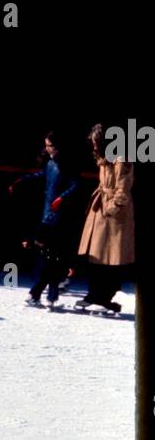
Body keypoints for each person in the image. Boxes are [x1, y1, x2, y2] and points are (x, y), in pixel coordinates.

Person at [8, 129, 82, 308]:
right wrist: (22, 180)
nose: (47, 149)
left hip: (61, 218)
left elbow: (76, 184)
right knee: (47, 255)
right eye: (47, 145)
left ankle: (43, 293)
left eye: (50, 146)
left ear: (59, 147)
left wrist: (62, 198)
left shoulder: (68, 164)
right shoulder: (50, 163)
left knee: (52, 256)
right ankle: (45, 293)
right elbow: (42, 175)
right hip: (48, 215)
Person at [74, 123, 135, 314]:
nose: (93, 146)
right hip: (100, 211)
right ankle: (94, 294)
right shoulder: (104, 160)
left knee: (111, 257)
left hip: (114, 215)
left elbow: (123, 190)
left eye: (95, 142)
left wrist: (111, 208)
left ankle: (107, 298)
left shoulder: (121, 160)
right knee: (96, 256)